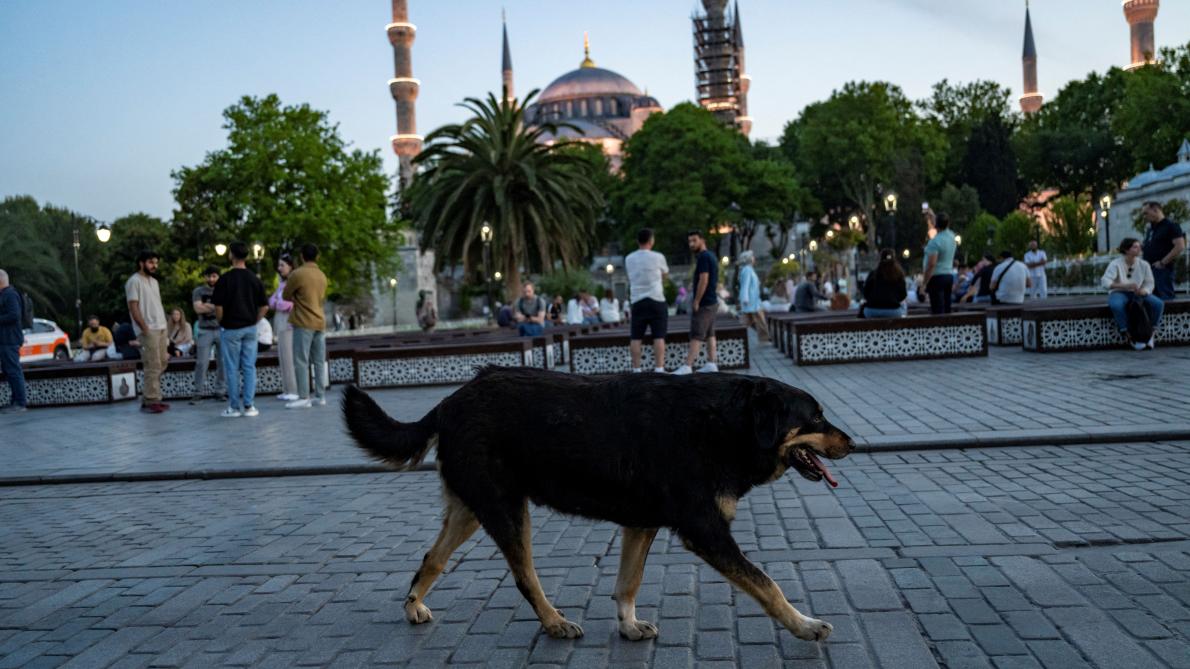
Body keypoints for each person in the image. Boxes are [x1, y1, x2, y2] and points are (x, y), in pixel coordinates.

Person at [213, 242, 268, 418]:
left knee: (232, 368)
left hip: (231, 328)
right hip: (250, 328)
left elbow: (218, 307)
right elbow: (265, 306)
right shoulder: (254, 278)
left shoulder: (225, 279)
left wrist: (222, 321)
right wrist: (255, 320)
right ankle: (250, 406)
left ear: (232, 255)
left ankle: (235, 407)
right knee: (249, 366)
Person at [283, 244, 329, 409]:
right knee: (318, 361)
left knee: (301, 360)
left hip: (303, 321)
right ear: (317, 257)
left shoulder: (298, 274)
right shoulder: (322, 276)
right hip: (320, 321)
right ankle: (320, 395)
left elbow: (285, 295)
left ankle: (304, 396)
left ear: (302, 256)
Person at [126, 250, 170, 414]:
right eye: (151, 262)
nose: (154, 266)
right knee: (152, 364)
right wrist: (144, 328)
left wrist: (164, 325)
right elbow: (133, 306)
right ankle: (152, 400)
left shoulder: (154, 282)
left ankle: (149, 398)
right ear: (141, 263)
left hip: (161, 327)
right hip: (148, 328)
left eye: (156, 263)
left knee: (162, 363)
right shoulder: (134, 281)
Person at [1103, 237, 1163, 350]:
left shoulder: (1144, 264)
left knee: (1158, 304)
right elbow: (1105, 282)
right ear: (1126, 250)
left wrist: (1144, 291)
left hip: (1138, 293)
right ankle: (1129, 335)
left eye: (1139, 246)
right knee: (1116, 305)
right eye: (1135, 246)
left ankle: (1151, 334)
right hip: (1119, 292)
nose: (1139, 248)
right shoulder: (1115, 264)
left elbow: (1150, 283)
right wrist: (1124, 286)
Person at [673, 230, 719, 375]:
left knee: (697, 334)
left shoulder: (704, 257)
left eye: (694, 240)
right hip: (712, 301)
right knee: (710, 333)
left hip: (705, 303)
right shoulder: (710, 256)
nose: (691, 244)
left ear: (702, 240)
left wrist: (697, 300)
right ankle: (712, 363)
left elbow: (704, 279)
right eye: (690, 241)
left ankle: (687, 366)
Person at [625, 228, 669, 372]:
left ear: (638, 241)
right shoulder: (658, 257)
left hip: (638, 300)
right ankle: (659, 368)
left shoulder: (629, 258)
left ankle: (637, 369)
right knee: (659, 336)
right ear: (651, 241)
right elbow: (665, 275)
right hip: (656, 299)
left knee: (636, 337)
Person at [1141, 201, 1187, 300]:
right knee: (1152, 301)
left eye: (1146, 213)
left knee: (1165, 299)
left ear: (1155, 210)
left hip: (1162, 271)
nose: (1144, 216)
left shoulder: (1170, 226)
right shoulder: (1151, 229)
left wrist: (1162, 262)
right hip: (1149, 270)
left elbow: (1180, 246)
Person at [191, 267, 224, 403]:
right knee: (201, 363)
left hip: (222, 329)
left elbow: (227, 307)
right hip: (204, 330)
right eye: (208, 276)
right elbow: (197, 308)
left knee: (223, 363)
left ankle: (220, 391)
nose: (211, 279)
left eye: (214, 276)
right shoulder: (198, 291)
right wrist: (217, 306)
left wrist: (207, 306)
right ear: (204, 277)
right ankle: (198, 392)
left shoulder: (223, 289)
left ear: (218, 277)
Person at [268, 255, 298, 402]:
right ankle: (286, 389)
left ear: (290, 266)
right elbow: (272, 301)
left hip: (289, 323)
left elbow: (291, 303)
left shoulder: (294, 281)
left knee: (289, 356)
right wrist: (278, 302)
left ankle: (293, 389)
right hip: (280, 322)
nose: (279, 268)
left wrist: (279, 303)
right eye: (279, 265)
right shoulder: (281, 283)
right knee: (282, 356)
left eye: (282, 265)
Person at [0, 269, 27, 413]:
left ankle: (20, 403)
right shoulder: (5, 295)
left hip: (10, 340)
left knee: (13, 371)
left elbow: (14, 315)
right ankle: (14, 401)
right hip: (5, 340)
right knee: (9, 371)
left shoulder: (10, 294)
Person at [922, 211, 958, 314]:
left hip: (937, 276)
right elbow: (942, 223)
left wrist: (924, 283)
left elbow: (932, 264)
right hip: (949, 275)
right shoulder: (952, 236)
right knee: (947, 307)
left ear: (936, 224)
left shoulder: (935, 242)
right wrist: (933, 215)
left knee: (938, 308)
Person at [861, 250, 908, 318]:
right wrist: (893, 299)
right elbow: (903, 295)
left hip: (872, 310)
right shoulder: (899, 275)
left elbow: (865, 293)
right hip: (893, 311)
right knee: (903, 310)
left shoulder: (873, 274)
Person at [735, 250, 770, 340]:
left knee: (750, 321)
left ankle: (764, 338)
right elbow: (745, 286)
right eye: (752, 257)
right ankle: (764, 338)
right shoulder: (747, 270)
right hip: (751, 301)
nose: (754, 258)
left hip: (754, 301)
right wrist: (745, 299)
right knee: (756, 320)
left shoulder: (749, 269)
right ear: (749, 259)